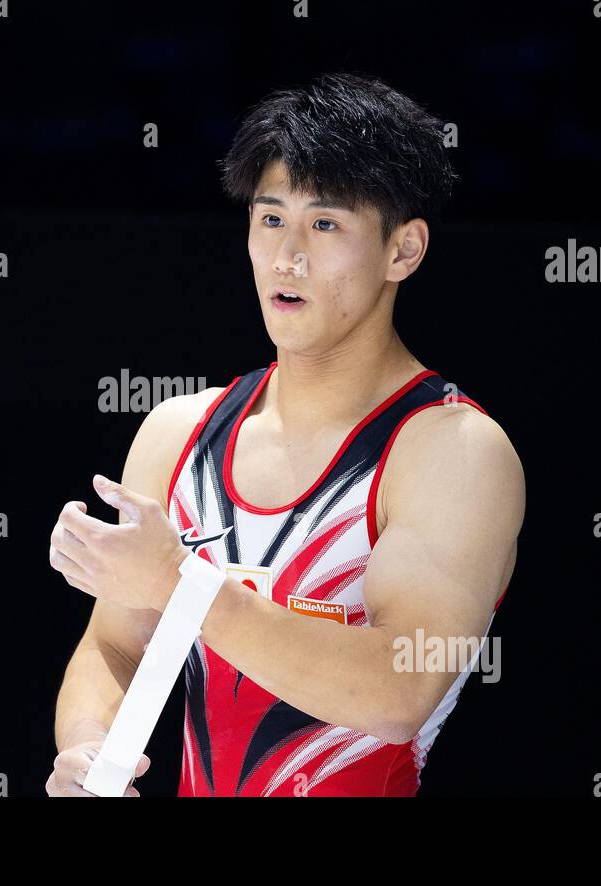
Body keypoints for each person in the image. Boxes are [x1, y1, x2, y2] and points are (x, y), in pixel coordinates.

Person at [46, 73, 525, 797]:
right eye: (270, 219)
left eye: (325, 224)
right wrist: (87, 748)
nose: (286, 256)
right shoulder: (178, 434)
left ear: (404, 251)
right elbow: (114, 646)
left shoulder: (453, 453)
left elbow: (400, 692)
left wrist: (182, 585)